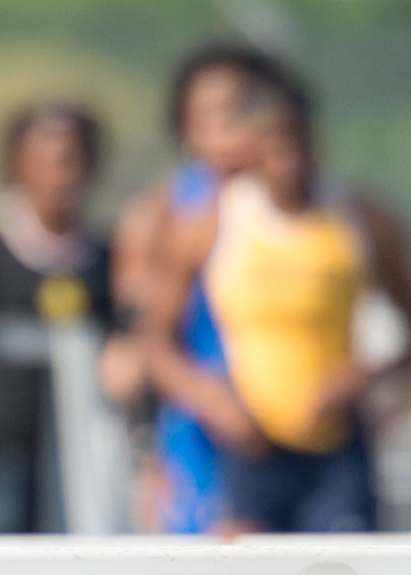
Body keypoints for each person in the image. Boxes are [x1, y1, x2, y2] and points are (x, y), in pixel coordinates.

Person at [145, 73, 411, 533]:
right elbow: (156, 340)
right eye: (273, 148)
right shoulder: (211, 223)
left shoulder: (360, 219)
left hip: (335, 448)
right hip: (252, 445)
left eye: (297, 144)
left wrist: (363, 376)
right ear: (250, 150)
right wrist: (212, 401)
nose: (287, 162)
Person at [108, 44, 287, 533]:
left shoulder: (314, 208)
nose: (230, 128)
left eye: (243, 108)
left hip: (296, 429)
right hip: (202, 430)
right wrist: (148, 459)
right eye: (212, 114)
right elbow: (131, 354)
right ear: (186, 128)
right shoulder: (161, 214)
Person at [0, 103, 113, 533]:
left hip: (80, 454)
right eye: (44, 162)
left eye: (71, 160)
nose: (60, 175)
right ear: (16, 166)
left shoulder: (106, 257)